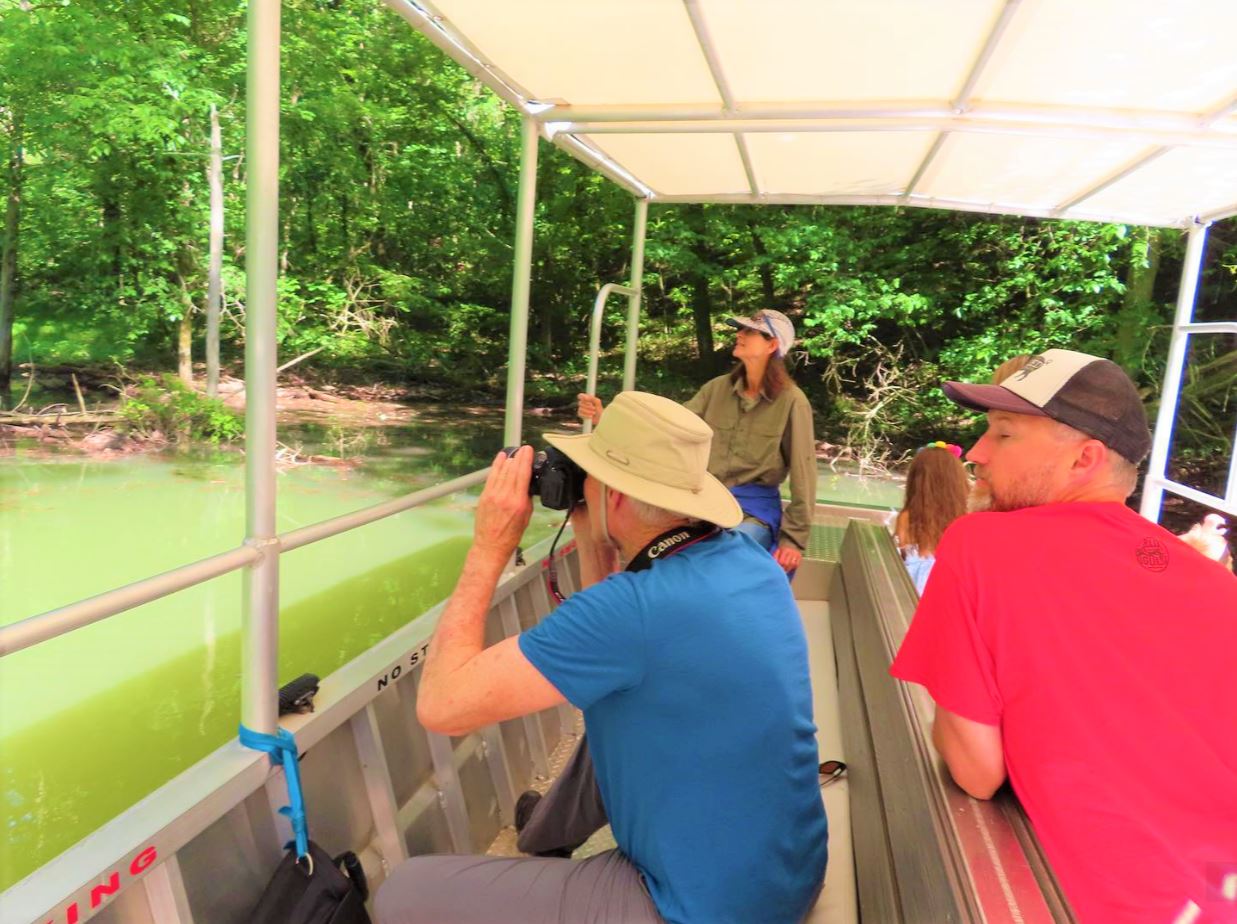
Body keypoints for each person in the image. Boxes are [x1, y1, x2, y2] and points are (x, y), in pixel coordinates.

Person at [375, 391, 828, 924]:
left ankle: (543, 845)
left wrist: (488, 547)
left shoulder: (633, 610)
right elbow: (619, 652)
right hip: (787, 874)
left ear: (613, 496)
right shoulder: (748, 560)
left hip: (701, 908)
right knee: (619, 709)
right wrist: (595, 539)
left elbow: (442, 706)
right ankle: (545, 836)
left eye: (587, 476)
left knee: (402, 893)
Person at [888, 348, 1237, 924]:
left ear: (1084, 458)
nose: (976, 454)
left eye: (1003, 435)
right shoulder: (1214, 582)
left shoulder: (981, 546)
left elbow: (977, 774)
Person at [579, 309, 815, 575]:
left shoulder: (793, 402)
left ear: (772, 344)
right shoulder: (716, 389)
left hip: (752, 510)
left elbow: (804, 475)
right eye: (741, 329)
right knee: (654, 551)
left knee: (723, 557)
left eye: (749, 331)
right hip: (702, 502)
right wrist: (605, 417)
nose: (739, 334)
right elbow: (667, 428)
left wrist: (793, 540)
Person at [894, 442, 968, 594]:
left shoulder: (908, 517)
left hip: (914, 592)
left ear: (917, 479)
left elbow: (904, 554)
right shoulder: (970, 516)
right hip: (952, 591)